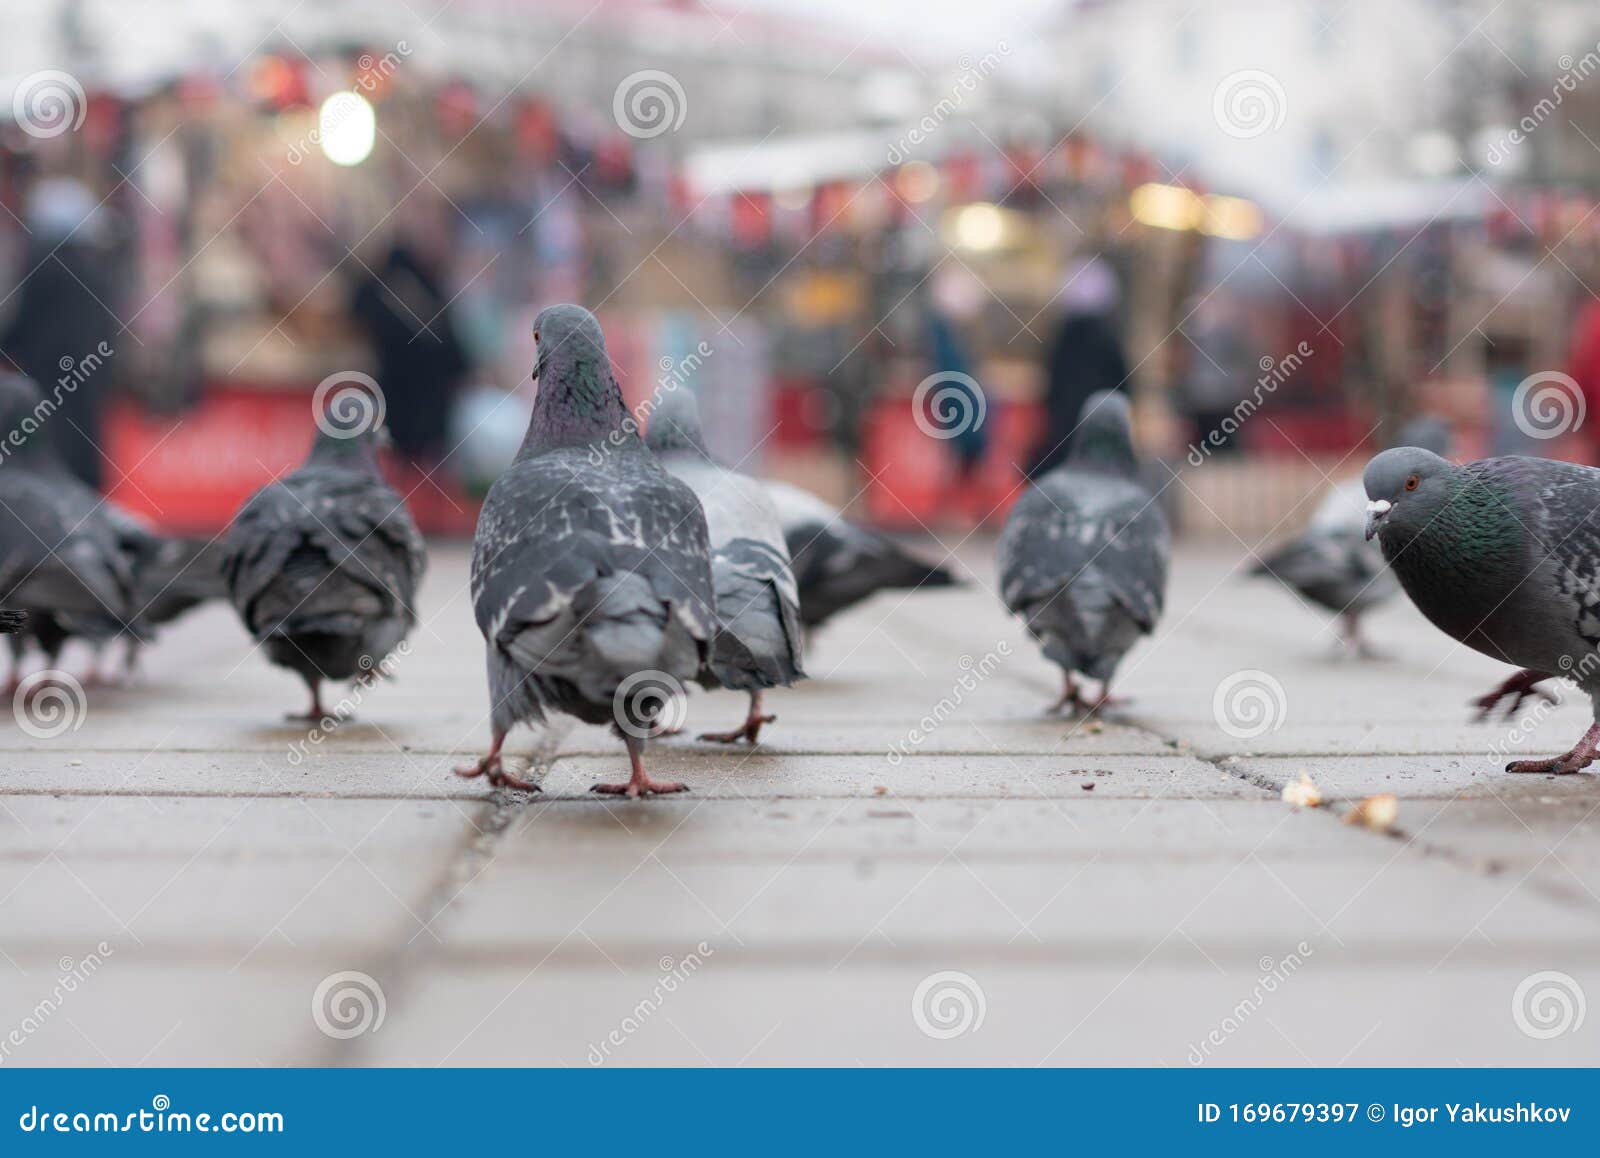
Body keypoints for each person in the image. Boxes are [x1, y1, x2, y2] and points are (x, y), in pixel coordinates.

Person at [1, 178, 120, 489]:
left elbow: (23, 320)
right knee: (83, 441)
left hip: (47, 375)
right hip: (87, 375)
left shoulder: (40, 261)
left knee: (53, 442)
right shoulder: (98, 267)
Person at [349, 235, 469, 471]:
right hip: (430, 406)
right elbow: (456, 355)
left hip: (392, 398)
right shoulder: (430, 288)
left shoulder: (372, 289)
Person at [1027, 256, 1128, 478]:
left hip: (1064, 437)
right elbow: (1124, 389)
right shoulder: (1107, 339)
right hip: (1100, 442)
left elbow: (1051, 388)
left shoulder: (1064, 338)